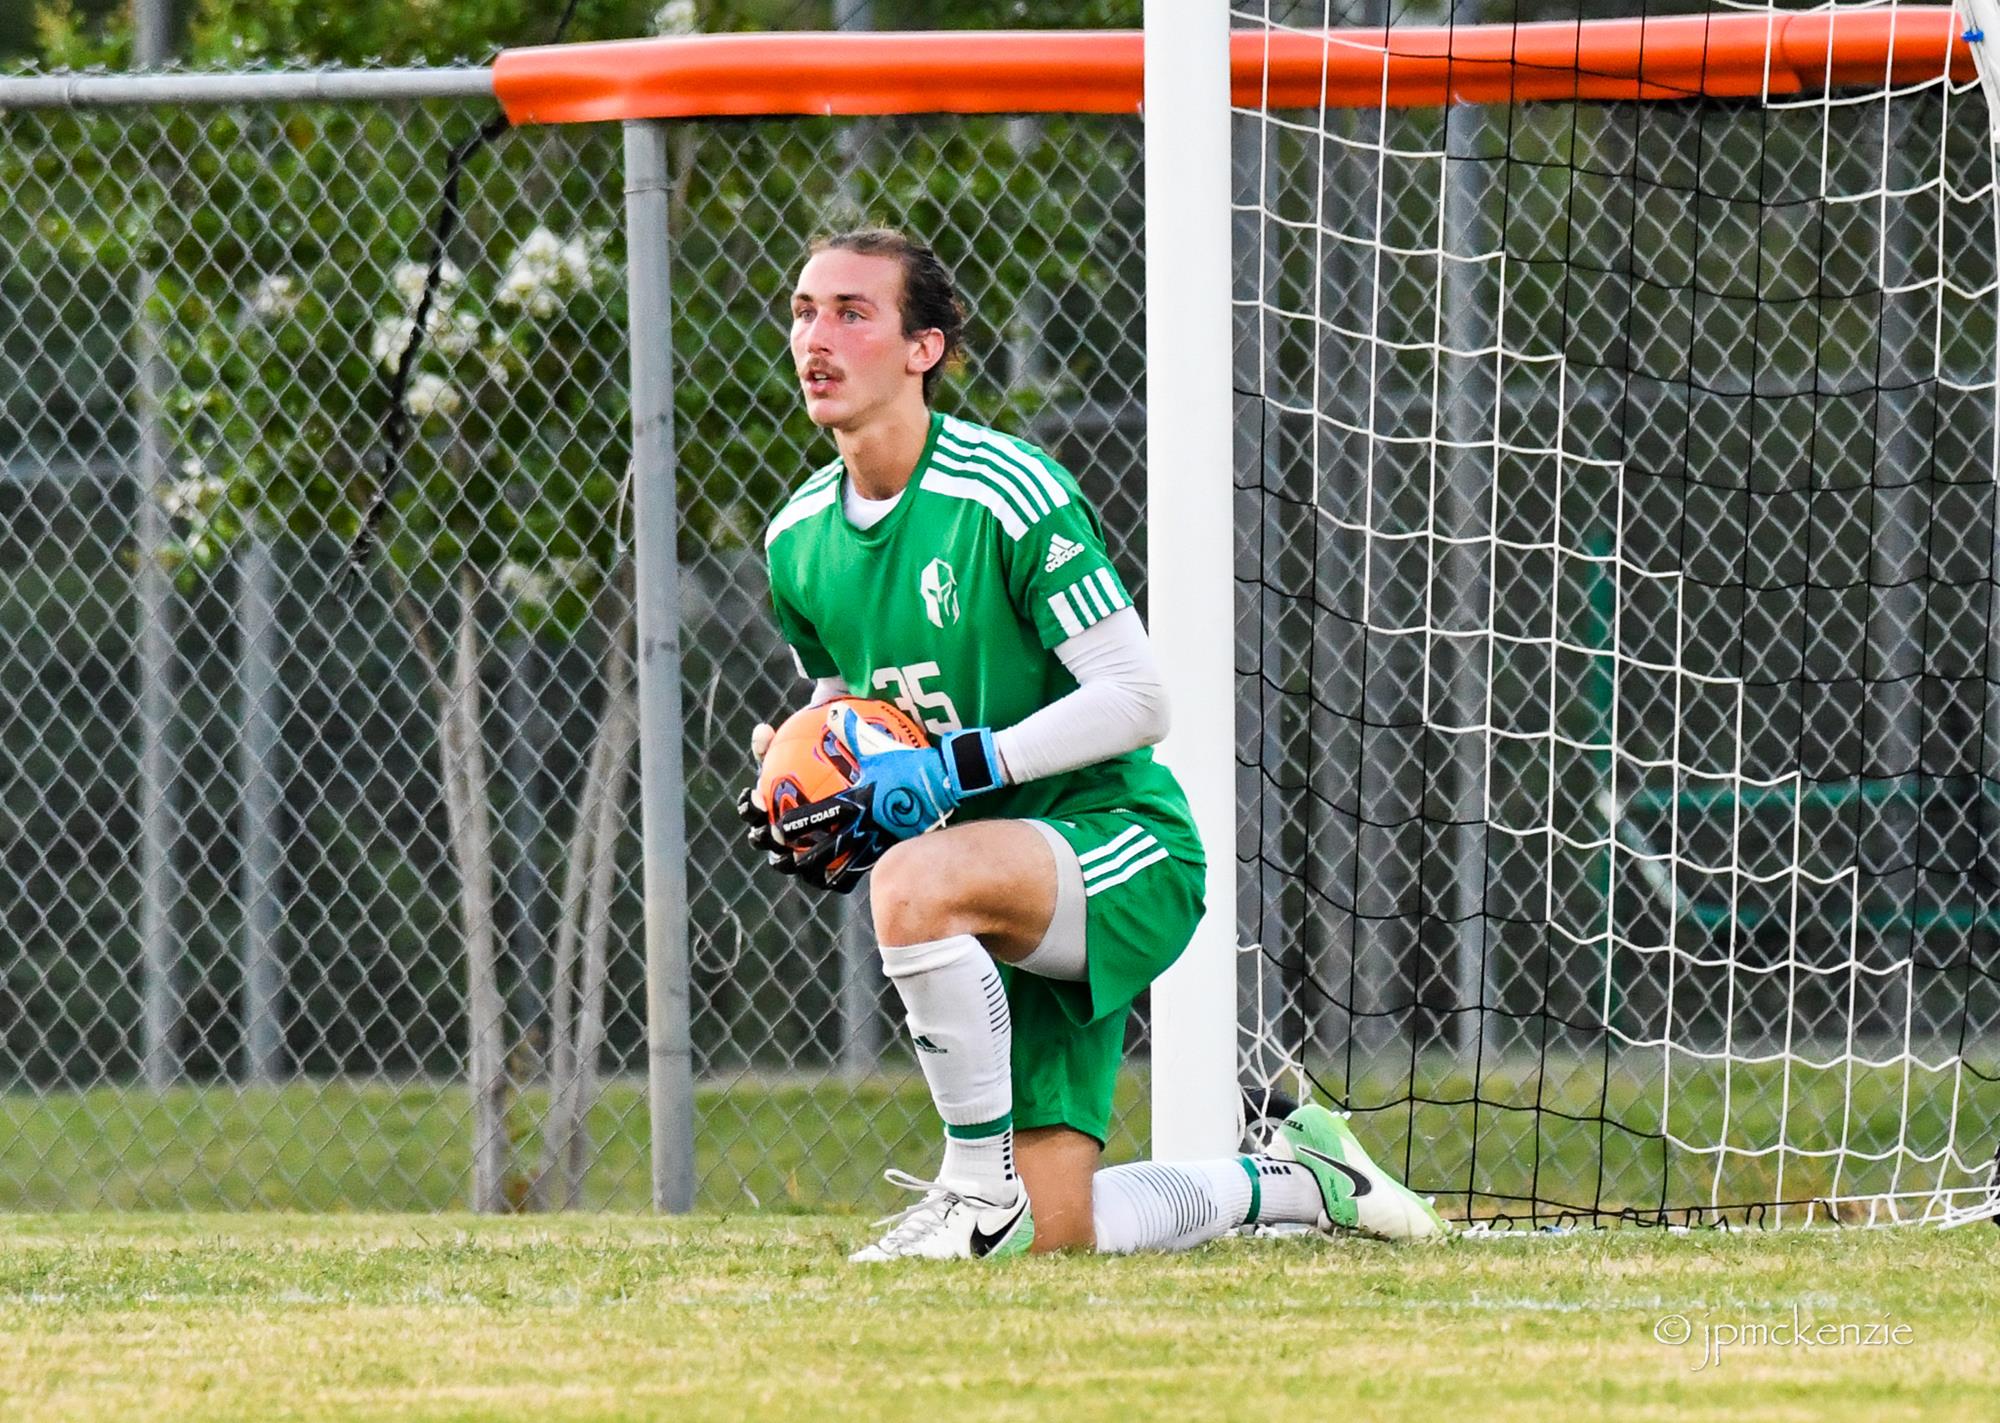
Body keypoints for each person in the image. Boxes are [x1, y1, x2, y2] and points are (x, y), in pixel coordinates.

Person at [740, 226, 1448, 1260]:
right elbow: (845, 696)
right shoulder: (797, 536)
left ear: (923, 348)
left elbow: (1137, 698)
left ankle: (971, 1192)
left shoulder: (1004, 492)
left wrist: (955, 767)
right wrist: (799, 776)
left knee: (909, 883)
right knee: (1057, 1235)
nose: (817, 336)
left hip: (1117, 842)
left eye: (853, 313)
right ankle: (1297, 1179)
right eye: (805, 311)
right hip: (986, 881)